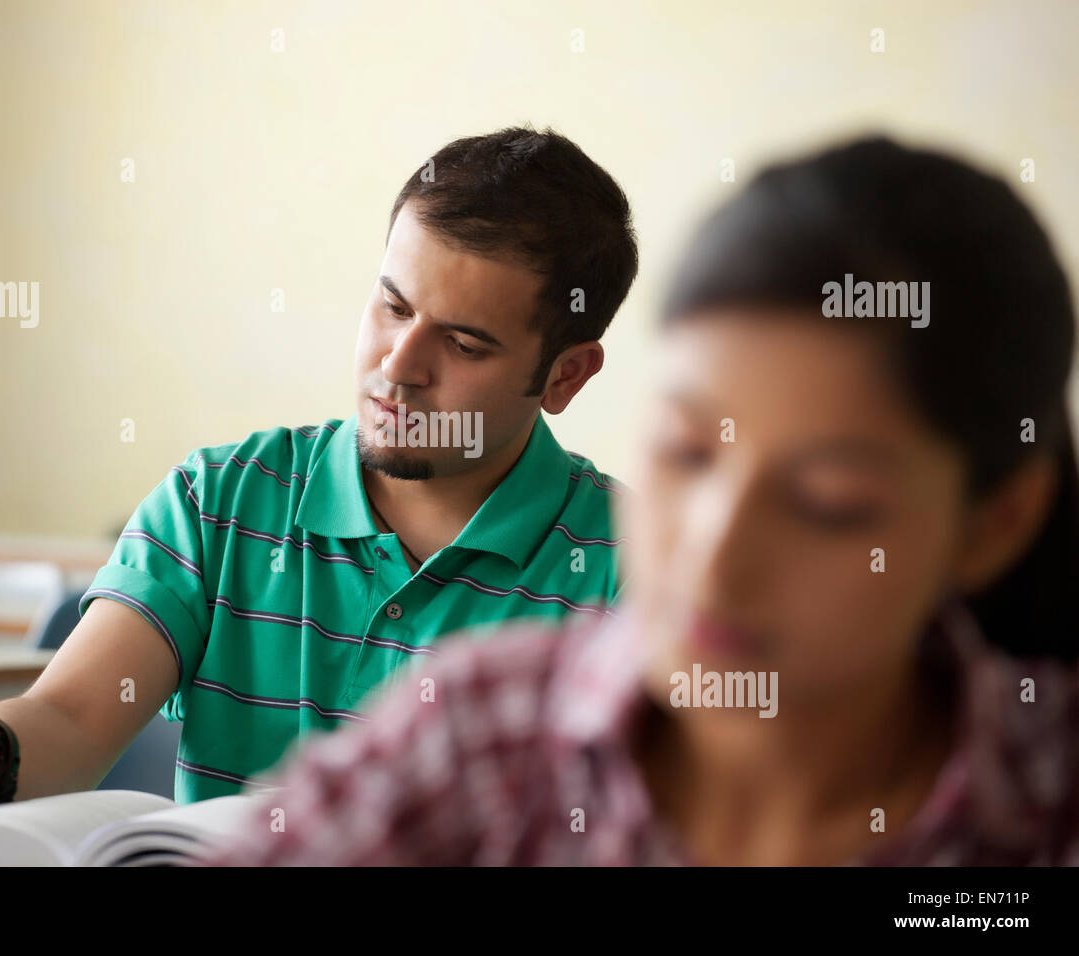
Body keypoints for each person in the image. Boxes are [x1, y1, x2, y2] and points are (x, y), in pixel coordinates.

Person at [199, 135, 1079, 865]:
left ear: (995, 523)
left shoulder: (1043, 811)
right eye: (685, 452)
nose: (714, 557)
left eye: (829, 503)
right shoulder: (478, 744)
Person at [0, 126, 639, 807]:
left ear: (566, 374)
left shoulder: (637, 571)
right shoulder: (217, 500)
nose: (398, 366)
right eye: (393, 307)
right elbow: (72, 720)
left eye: (463, 344)